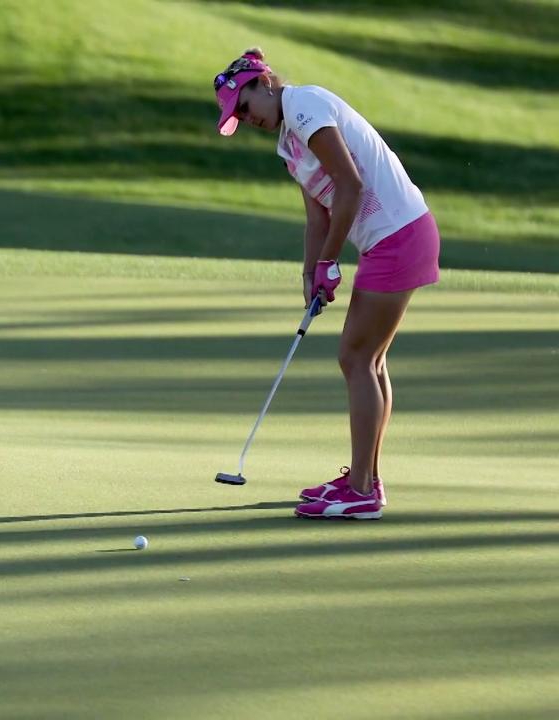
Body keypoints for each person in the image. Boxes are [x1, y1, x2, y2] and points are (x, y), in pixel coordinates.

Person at [213, 48, 441, 520]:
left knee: (356, 357)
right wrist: (311, 272)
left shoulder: (305, 107)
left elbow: (351, 185)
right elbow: (317, 215)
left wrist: (331, 262)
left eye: (245, 104)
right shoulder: (289, 144)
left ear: (264, 81)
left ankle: (361, 491)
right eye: (236, 114)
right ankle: (365, 480)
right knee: (369, 360)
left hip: (400, 236)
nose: (245, 117)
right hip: (391, 239)